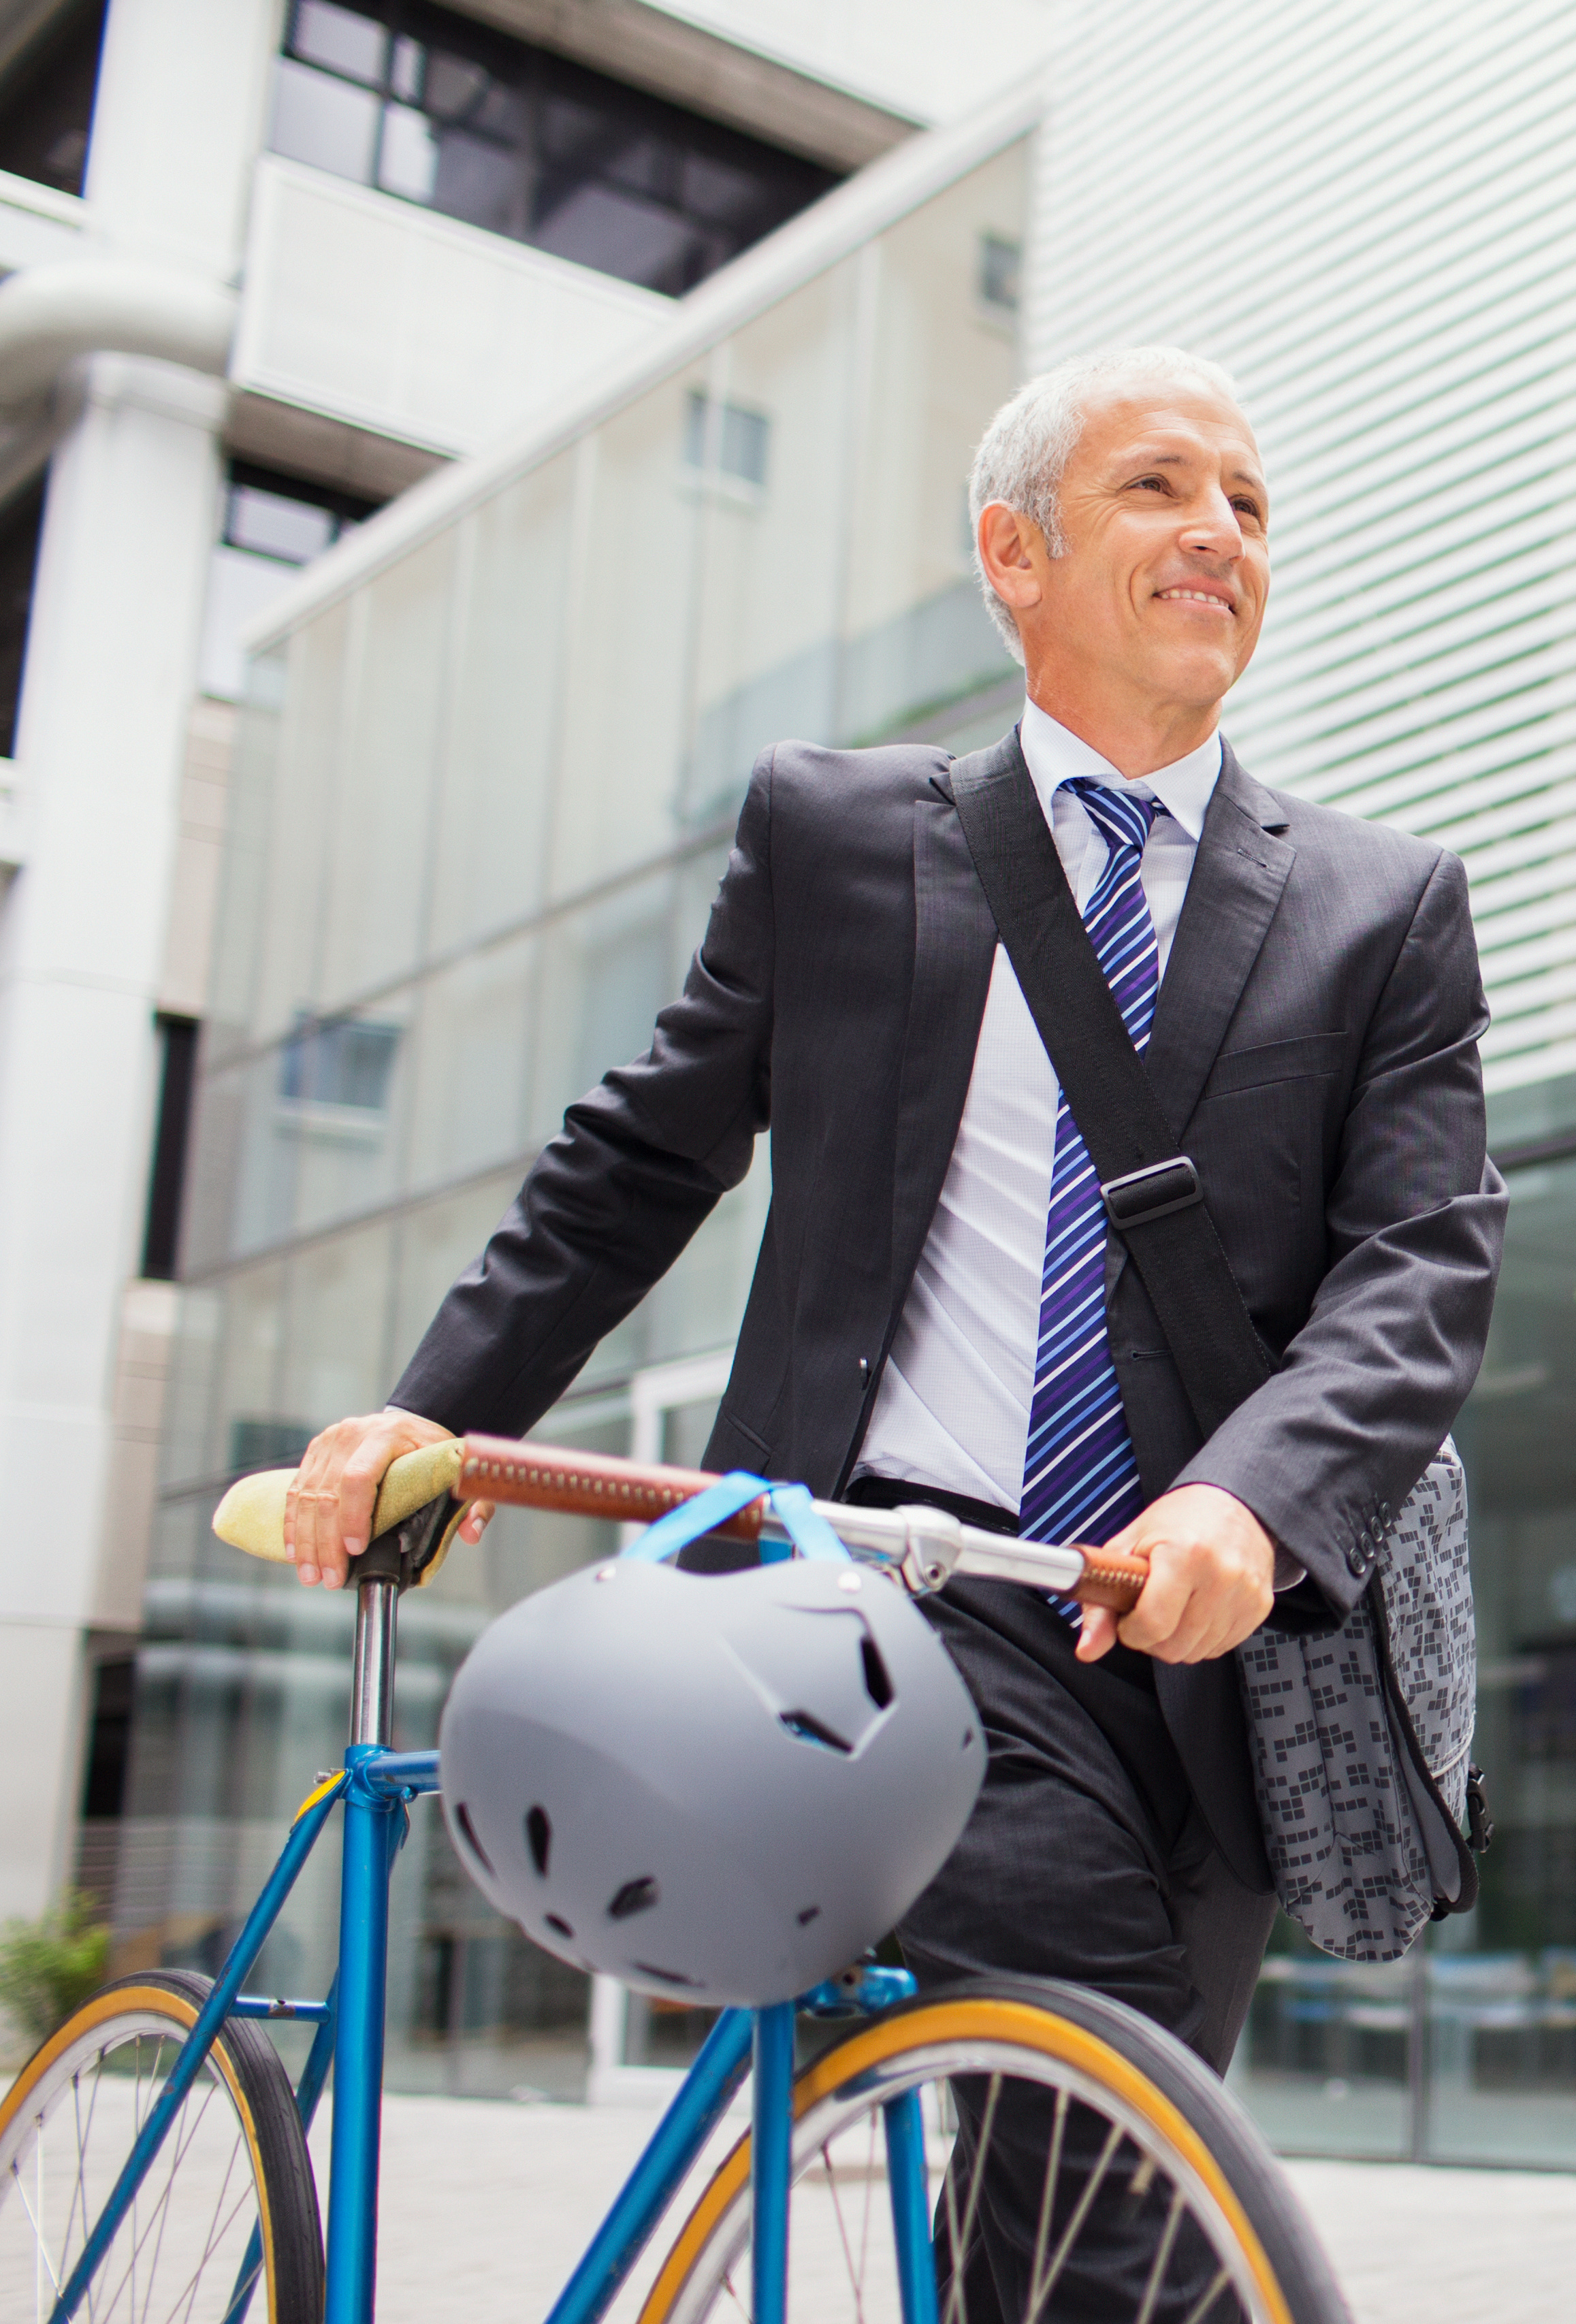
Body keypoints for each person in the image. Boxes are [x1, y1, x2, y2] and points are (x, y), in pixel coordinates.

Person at [278, 346, 1503, 2306]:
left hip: (1195, 1641)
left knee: (1088, 2193)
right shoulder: (844, 839)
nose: (1220, 532)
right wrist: (422, 1416)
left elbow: (1419, 1260)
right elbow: (636, 1162)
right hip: (890, 1587)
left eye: (1252, 506)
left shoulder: (1384, 905)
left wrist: (1248, 1505)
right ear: (1012, 556)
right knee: (1126, 2173)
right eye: (1160, 489)